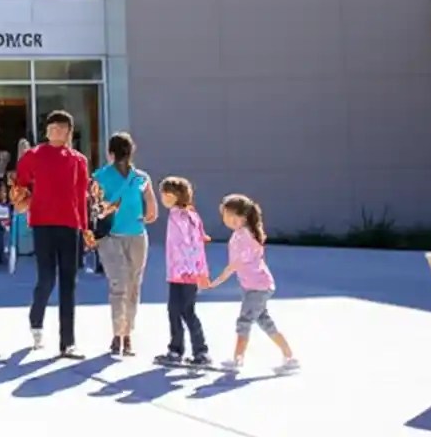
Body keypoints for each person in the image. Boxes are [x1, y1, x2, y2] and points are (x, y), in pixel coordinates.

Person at [13, 110, 91, 359]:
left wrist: (86, 228)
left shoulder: (78, 160)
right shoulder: (33, 155)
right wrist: (20, 197)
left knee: (69, 283)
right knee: (46, 278)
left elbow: (81, 197)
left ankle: (67, 342)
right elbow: (20, 184)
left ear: (69, 132)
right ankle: (36, 318)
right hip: (43, 224)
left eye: (61, 128)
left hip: (70, 225)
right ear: (46, 131)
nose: (55, 132)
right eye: (51, 128)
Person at [204, 194, 299, 374]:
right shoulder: (243, 233)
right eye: (224, 215)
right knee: (264, 322)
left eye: (228, 215)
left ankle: (238, 359)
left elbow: (235, 265)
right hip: (256, 286)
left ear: (240, 216)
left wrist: (216, 282)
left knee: (244, 321)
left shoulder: (244, 236)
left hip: (257, 288)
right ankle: (290, 357)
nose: (226, 219)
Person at [91, 132, 158, 357]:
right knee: (128, 285)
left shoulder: (103, 176)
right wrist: (144, 216)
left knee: (123, 285)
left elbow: (95, 207)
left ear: (110, 152)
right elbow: (152, 210)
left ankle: (121, 334)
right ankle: (123, 334)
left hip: (123, 235)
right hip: (125, 235)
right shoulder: (138, 178)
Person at [154, 176, 211, 367]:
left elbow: (194, 244)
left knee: (187, 311)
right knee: (174, 310)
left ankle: (201, 351)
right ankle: (175, 349)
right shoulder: (179, 214)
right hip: (176, 273)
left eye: (165, 193)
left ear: (175, 195)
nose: (162, 197)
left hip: (186, 273)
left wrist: (194, 270)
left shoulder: (184, 216)